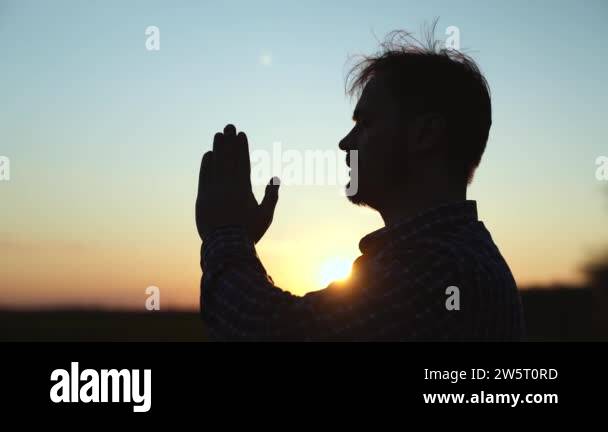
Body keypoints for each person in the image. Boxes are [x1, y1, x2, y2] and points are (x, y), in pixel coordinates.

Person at [195, 30, 524, 341]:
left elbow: (274, 332)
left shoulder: (442, 269)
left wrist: (224, 233)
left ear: (425, 135)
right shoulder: (450, 256)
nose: (345, 143)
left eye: (365, 123)